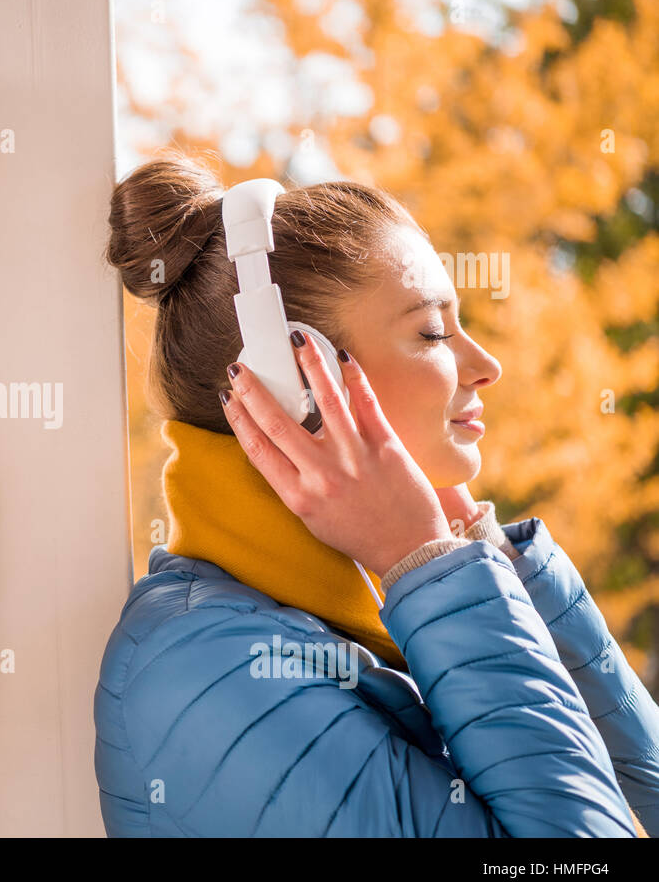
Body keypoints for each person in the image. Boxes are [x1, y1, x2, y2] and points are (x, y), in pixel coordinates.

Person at [94, 155, 659, 836]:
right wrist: (424, 556)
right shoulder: (209, 672)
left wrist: (473, 553)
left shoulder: (376, 615)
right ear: (291, 386)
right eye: (431, 332)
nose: (486, 366)